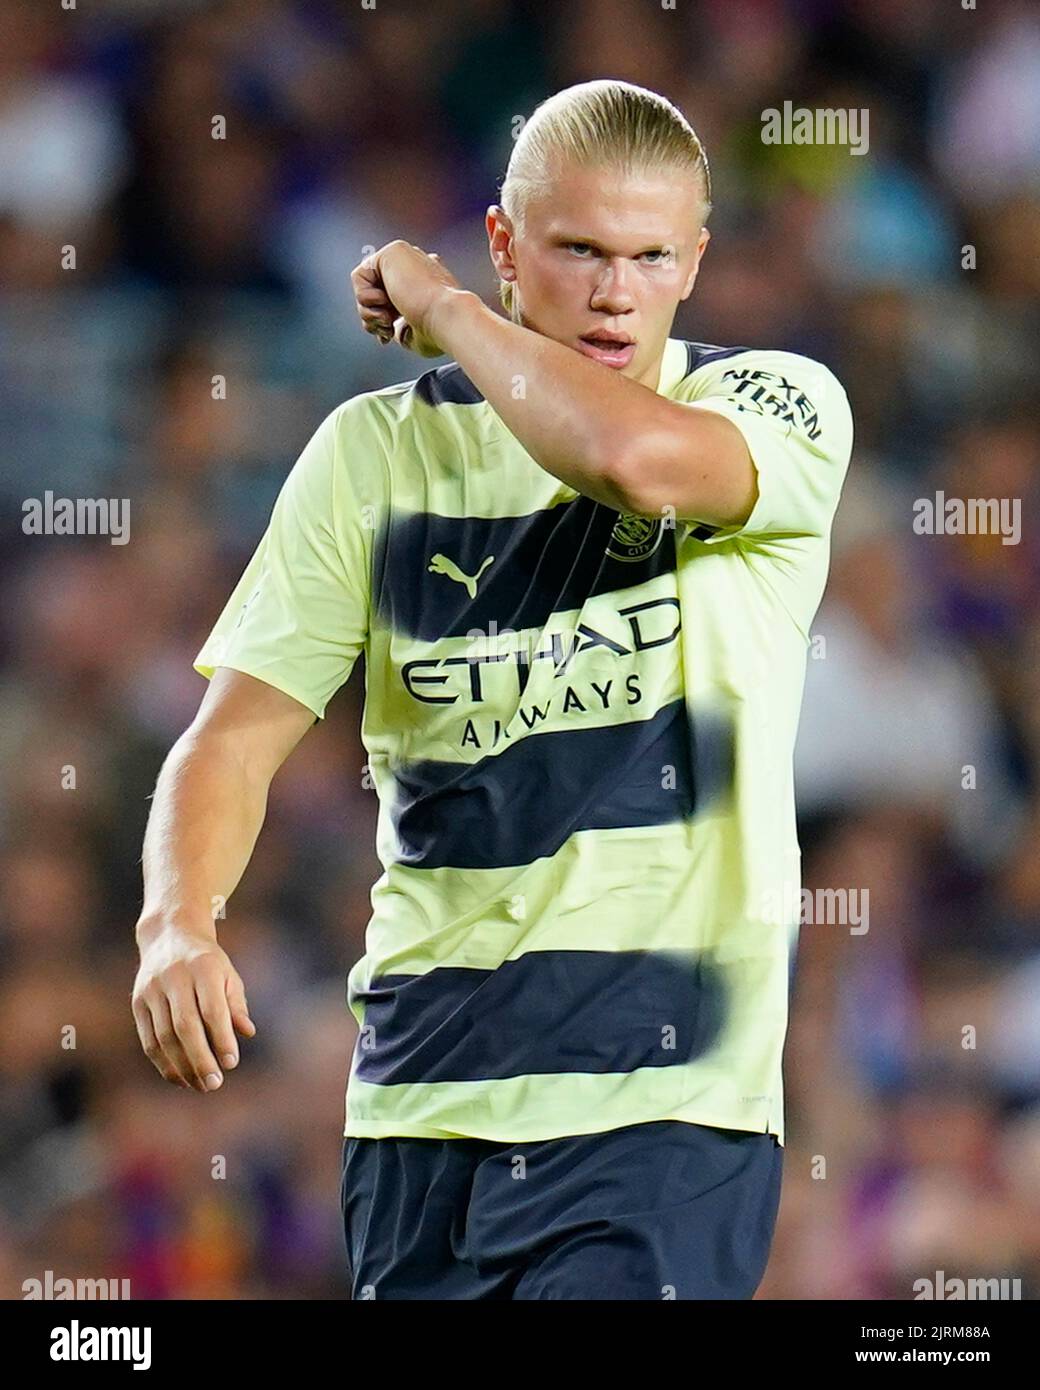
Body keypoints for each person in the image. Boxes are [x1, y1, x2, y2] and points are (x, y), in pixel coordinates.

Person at [132, 79, 853, 1300]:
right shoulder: (376, 449)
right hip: (420, 1108)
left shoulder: (772, 405)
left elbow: (626, 460)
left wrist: (450, 310)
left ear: (695, 260)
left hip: (661, 1103)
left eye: (648, 255)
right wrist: (175, 922)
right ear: (507, 240)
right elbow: (234, 738)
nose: (615, 291)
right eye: (577, 251)